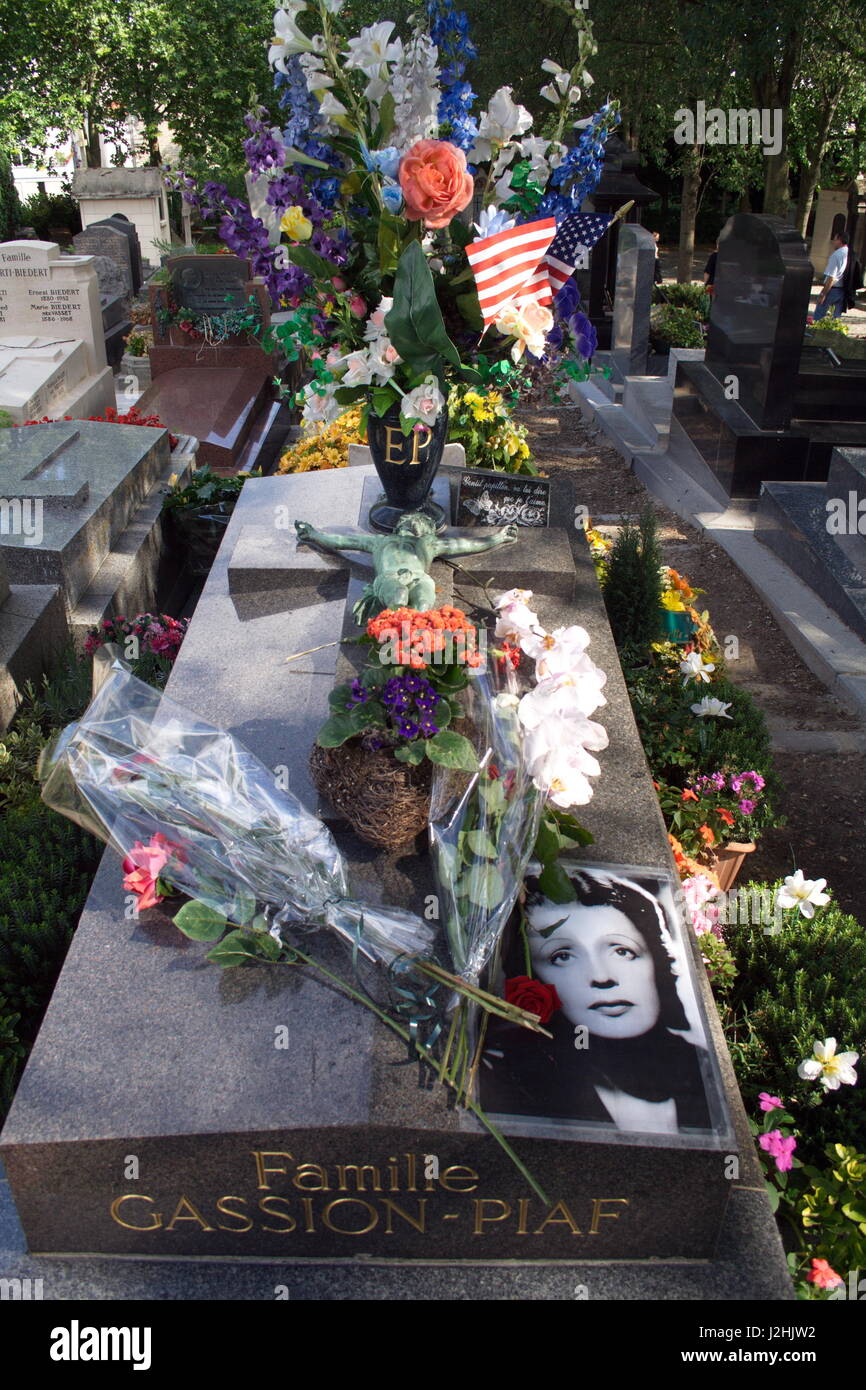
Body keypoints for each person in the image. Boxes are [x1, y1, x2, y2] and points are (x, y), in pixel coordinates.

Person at [480, 870, 713, 1134]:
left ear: (657, 963)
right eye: (562, 956)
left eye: (622, 951)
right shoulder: (506, 1079)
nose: (602, 977)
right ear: (531, 977)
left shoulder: (706, 1075)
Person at [813, 231, 849, 321]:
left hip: (832, 289)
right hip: (842, 290)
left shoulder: (836, 255)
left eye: (835, 239)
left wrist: (823, 294)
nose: (833, 241)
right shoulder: (848, 253)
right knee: (835, 319)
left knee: (819, 317)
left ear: (840, 240)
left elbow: (831, 278)